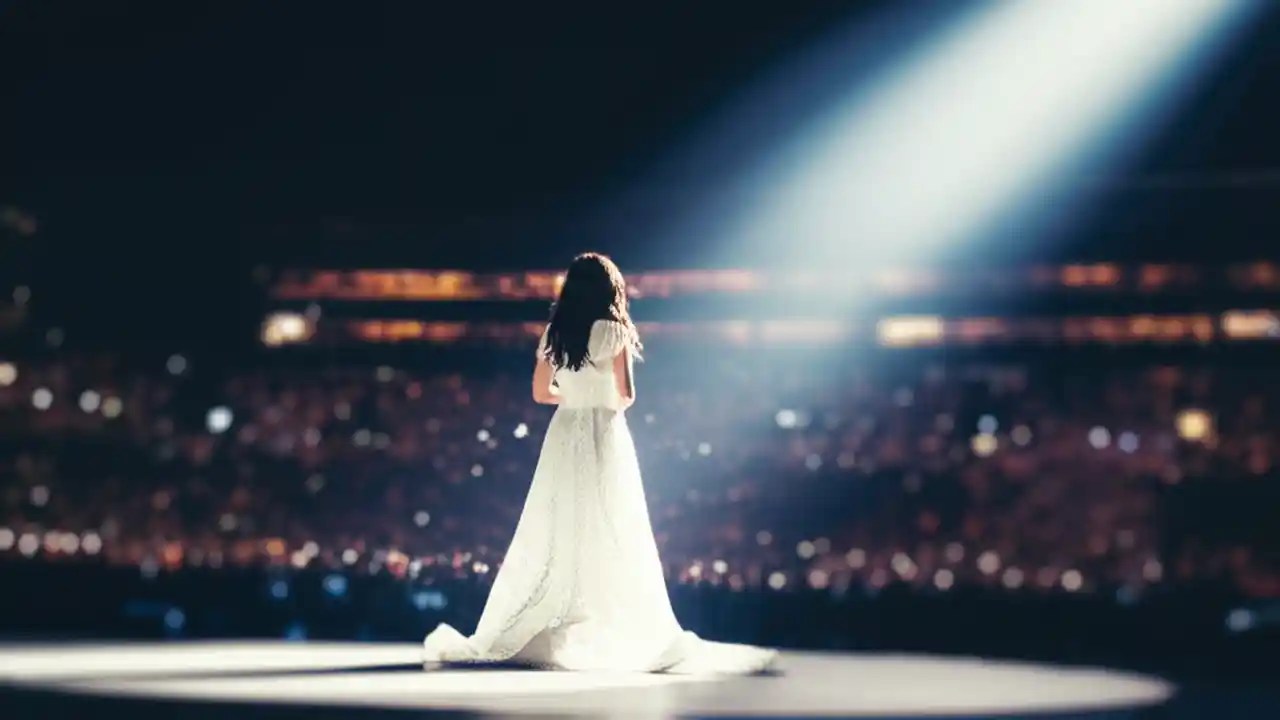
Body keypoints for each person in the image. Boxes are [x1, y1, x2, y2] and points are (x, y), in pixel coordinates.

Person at [422, 252, 778, 673]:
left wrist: (572, 397)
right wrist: (596, 399)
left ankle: (553, 615)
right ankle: (603, 621)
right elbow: (626, 395)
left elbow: (540, 393)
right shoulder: (615, 331)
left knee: (558, 523)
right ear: (612, 289)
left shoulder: (556, 331)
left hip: (564, 432)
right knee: (613, 522)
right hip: (604, 431)